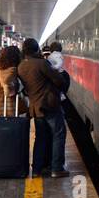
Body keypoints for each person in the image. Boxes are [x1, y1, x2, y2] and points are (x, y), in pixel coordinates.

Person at [18, 37, 69, 177]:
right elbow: (59, 80)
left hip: (35, 106)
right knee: (58, 134)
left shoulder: (21, 65)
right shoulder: (41, 64)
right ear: (36, 49)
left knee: (40, 138)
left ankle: (37, 169)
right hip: (50, 104)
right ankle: (57, 168)